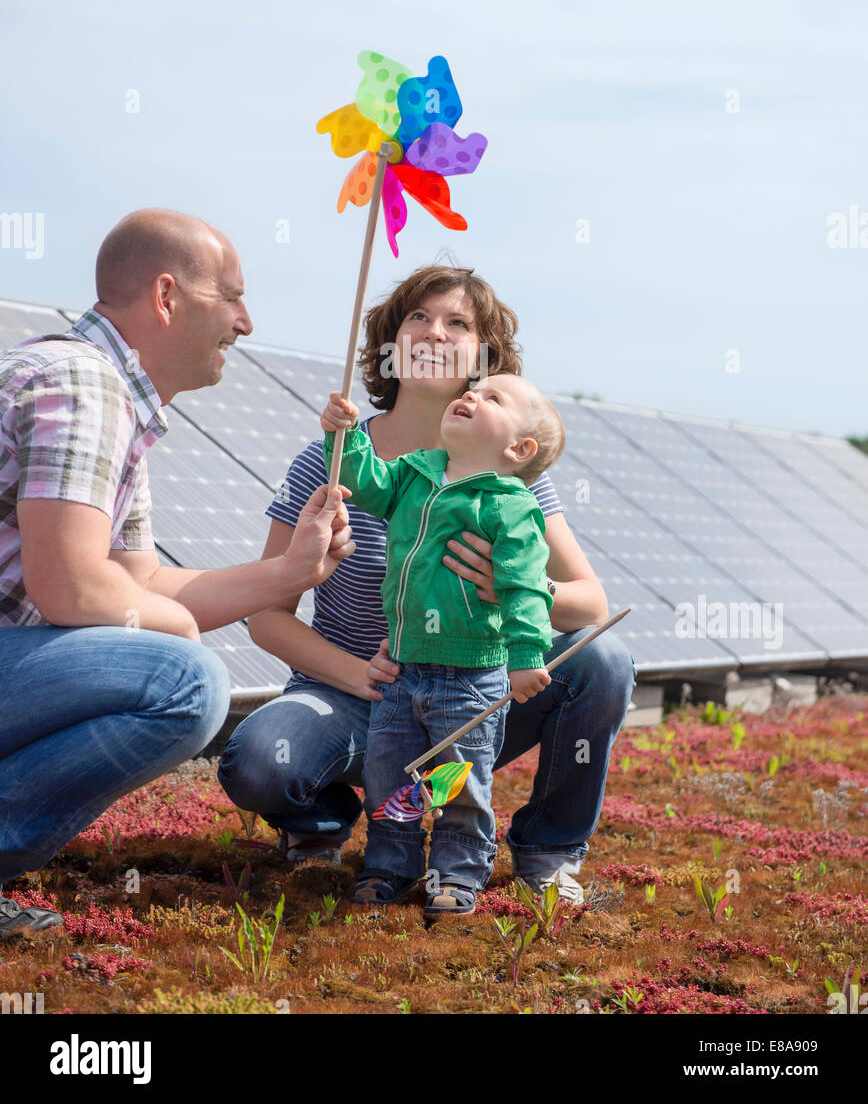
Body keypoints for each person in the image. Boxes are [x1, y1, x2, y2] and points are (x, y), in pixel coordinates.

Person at [218, 263, 637, 905]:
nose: (435, 333)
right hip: (353, 699)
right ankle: (320, 830)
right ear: (392, 341)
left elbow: (592, 604)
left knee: (601, 660)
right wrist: (361, 675)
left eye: (458, 323)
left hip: (468, 697)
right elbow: (266, 616)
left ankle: (548, 854)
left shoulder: (509, 476)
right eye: (418, 317)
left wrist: (514, 588)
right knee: (259, 758)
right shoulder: (332, 459)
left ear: (483, 360)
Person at [0, 208, 354, 940]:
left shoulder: (107, 394)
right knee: (186, 682)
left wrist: (292, 570)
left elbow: (137, 586)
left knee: (175, 664)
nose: (246, 323)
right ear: (167, 297)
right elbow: (72, 588)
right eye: (232, 297)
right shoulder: (83, 385)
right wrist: (181, 635)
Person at [320, 374, 565, 915]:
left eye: (493, 398)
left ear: (518, 449)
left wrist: (527, 657)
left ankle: (457, 871)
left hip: (469, 677)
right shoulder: (415, 473)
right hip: (402, 666)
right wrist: (347, 436)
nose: (471, 395)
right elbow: (365, 484)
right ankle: (391, 863)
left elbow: (525, 588)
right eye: (472, 390)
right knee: (388, 775)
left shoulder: (511, 507)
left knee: (457, 782)